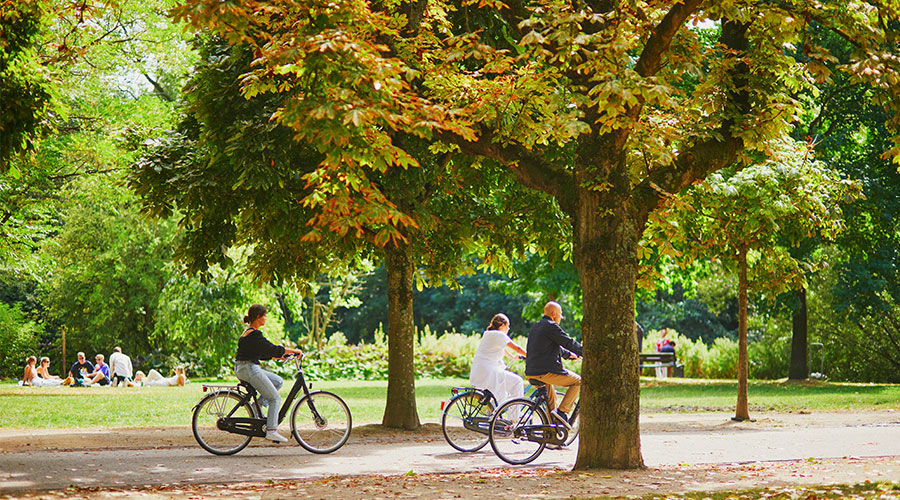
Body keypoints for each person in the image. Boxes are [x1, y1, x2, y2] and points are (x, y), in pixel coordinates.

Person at [234, 304, 302, 443]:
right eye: (264, 316)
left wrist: (277, 356)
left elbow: (260, 352)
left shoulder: (249, 332)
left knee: (278, 381)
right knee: (275, 398)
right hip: (249, 369)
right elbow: (271, 348)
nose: (266, 319)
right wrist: (294, 351)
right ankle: (271, 430)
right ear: (258, 317)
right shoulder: (254, 334)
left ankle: (257, 406)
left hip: (245, 367)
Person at [524, 301, 583, 431]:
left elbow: (556, 347)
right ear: (554, 314)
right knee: (578, 381)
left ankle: (551, 433)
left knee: (551, 403)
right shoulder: (551, 326)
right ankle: (562, 412)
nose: (561, 318)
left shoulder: (537, 326)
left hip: (531, 371)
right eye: (560, 315)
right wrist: (585, 351)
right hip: (546, 371)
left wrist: (569, 355)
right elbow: (568, 342)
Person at [469, 313, 528, 408]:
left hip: (479, 372)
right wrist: (531, 356)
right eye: (508, 326)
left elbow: (502, 349)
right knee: (518, 382)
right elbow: (517, 348)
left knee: (501, 395)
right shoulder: (500, 335)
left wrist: (512, 357)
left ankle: (492, 415)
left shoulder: (488, 334)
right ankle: (515, 416)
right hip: (490, 373)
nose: (509, 328)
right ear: (502, 325)